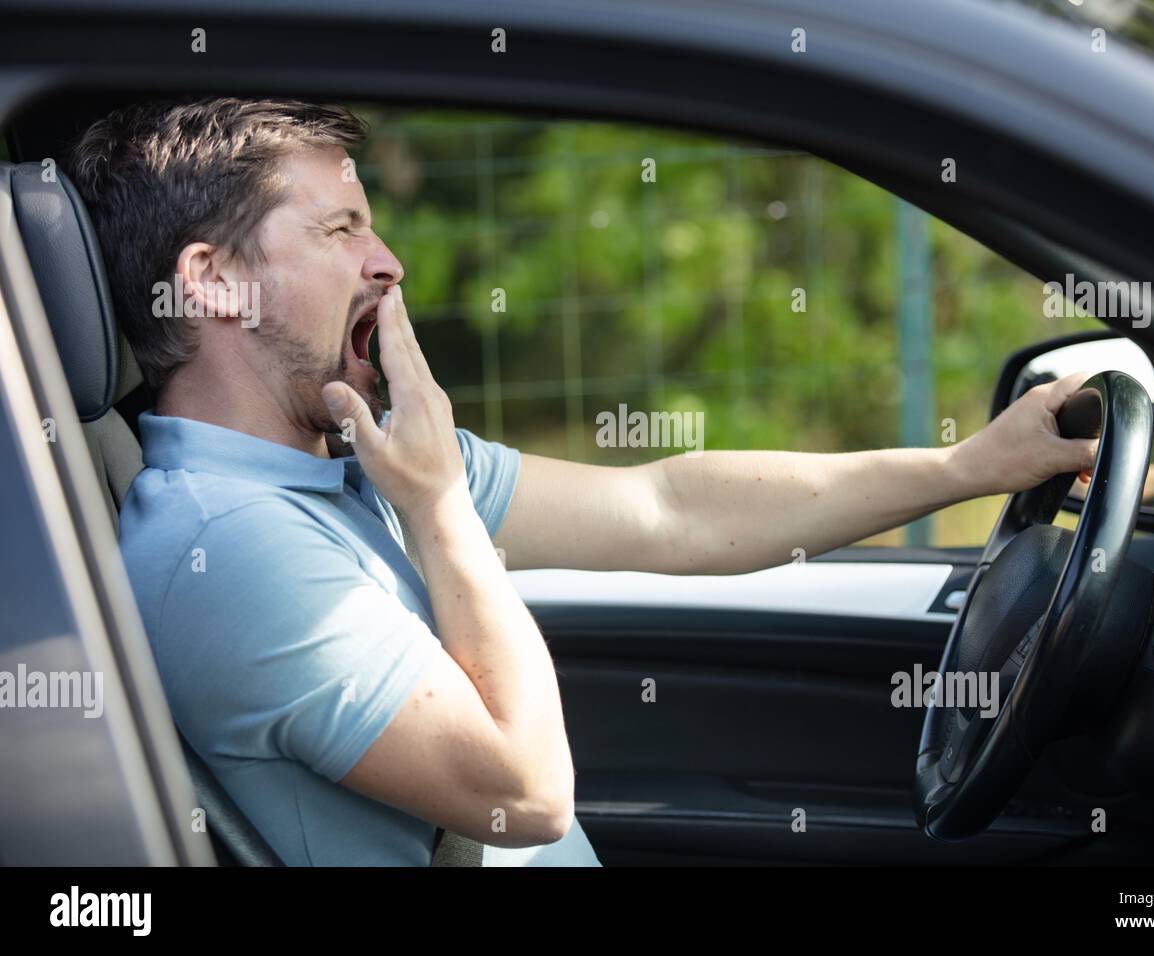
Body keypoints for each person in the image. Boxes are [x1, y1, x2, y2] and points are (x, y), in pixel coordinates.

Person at [66, 97, 1099, 866]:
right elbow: (526, 796)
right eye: (341, 230)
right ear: (211, 280)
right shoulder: (234, 545)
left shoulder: (348, 461)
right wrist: (436, 504)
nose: (388, 264)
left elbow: (668, 511)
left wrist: (971, 465)